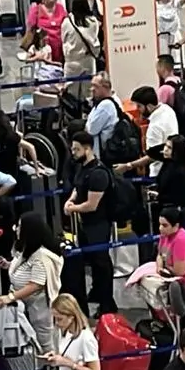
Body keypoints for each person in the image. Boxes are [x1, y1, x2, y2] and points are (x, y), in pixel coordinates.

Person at [64, 132, 118, 316]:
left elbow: (91, 205)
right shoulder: (83, 168)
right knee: (92, 263)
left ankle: (107, 303)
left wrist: (73, 208)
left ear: (87, 149)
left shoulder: (99, 174)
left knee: (101, 263)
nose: (73, 152)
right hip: (84, 224)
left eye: (77, 149)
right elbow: (78, 188)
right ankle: (97, 292)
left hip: (98, 225)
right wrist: (70, 201)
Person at [0, 212, 64, 352]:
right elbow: (24, 265)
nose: (16, 229)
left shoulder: (41, 256)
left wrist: (10, 297)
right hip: (25, 303)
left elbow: (36, 284)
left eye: (20, 227)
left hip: (40, 307)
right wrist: (9, 265)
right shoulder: (29, 247)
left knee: (44, 344)